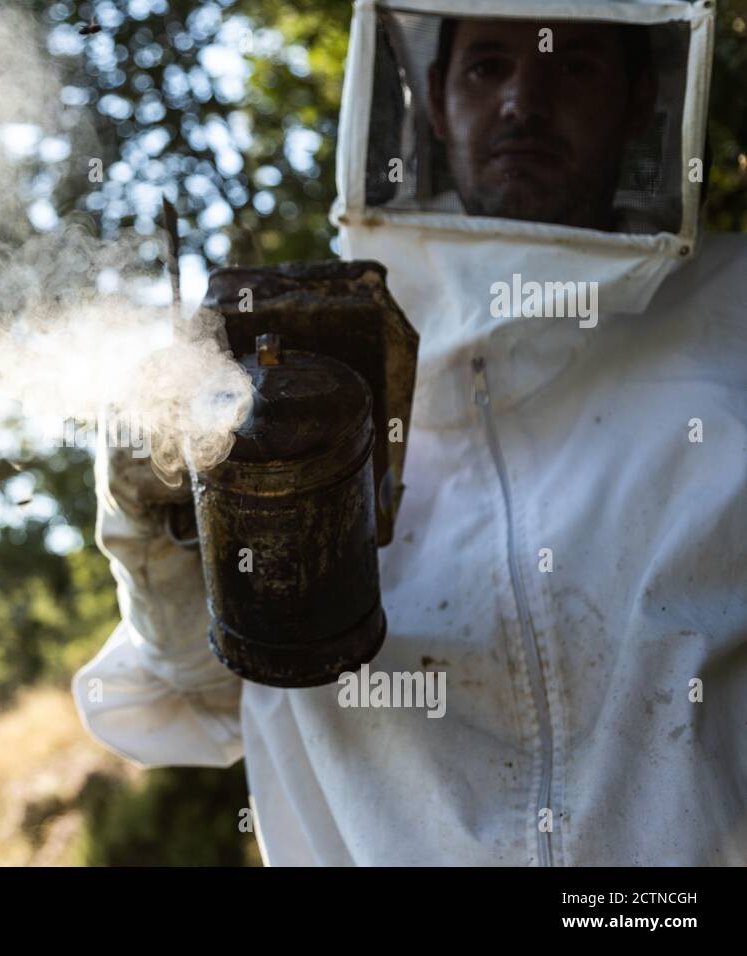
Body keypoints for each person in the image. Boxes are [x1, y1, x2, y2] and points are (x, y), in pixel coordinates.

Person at [72, 0, 747, 865]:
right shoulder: (304, 363)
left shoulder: (732, 316)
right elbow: (197, 697)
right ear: (431, 97)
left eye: (573, 65)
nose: (522, 102)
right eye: (486, 65)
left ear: (639, 98)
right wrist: (155, 537)